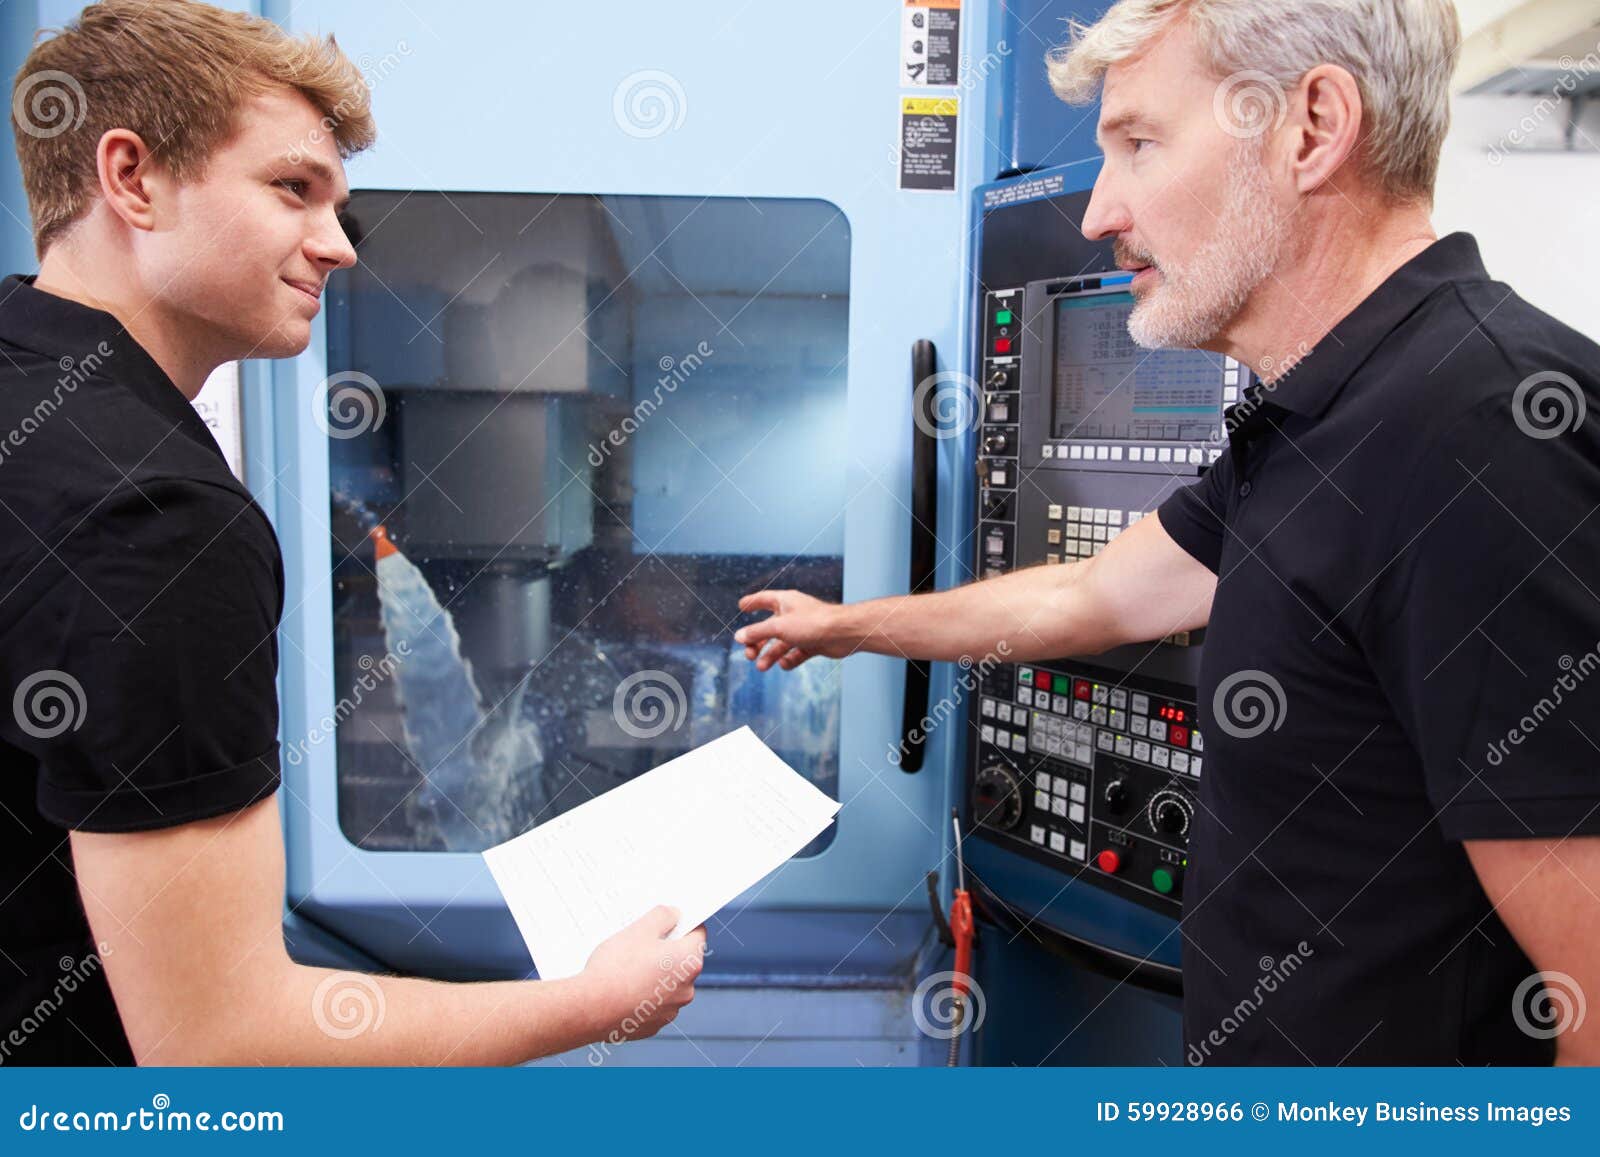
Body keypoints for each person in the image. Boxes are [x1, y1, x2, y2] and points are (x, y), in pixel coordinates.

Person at [737, 0, 1600, 1065]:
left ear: (1311, 128)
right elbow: (1090, 595)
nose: (1099, 211)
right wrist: (846, 626)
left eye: (1139, 143)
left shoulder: (1484, 432)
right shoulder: (1318, 415)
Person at [0, 0, 702, 1066]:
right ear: (132, 178)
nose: (337, 246)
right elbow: (222, 1041)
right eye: (294, 188)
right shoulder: (158, 516)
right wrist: (591, 1002)